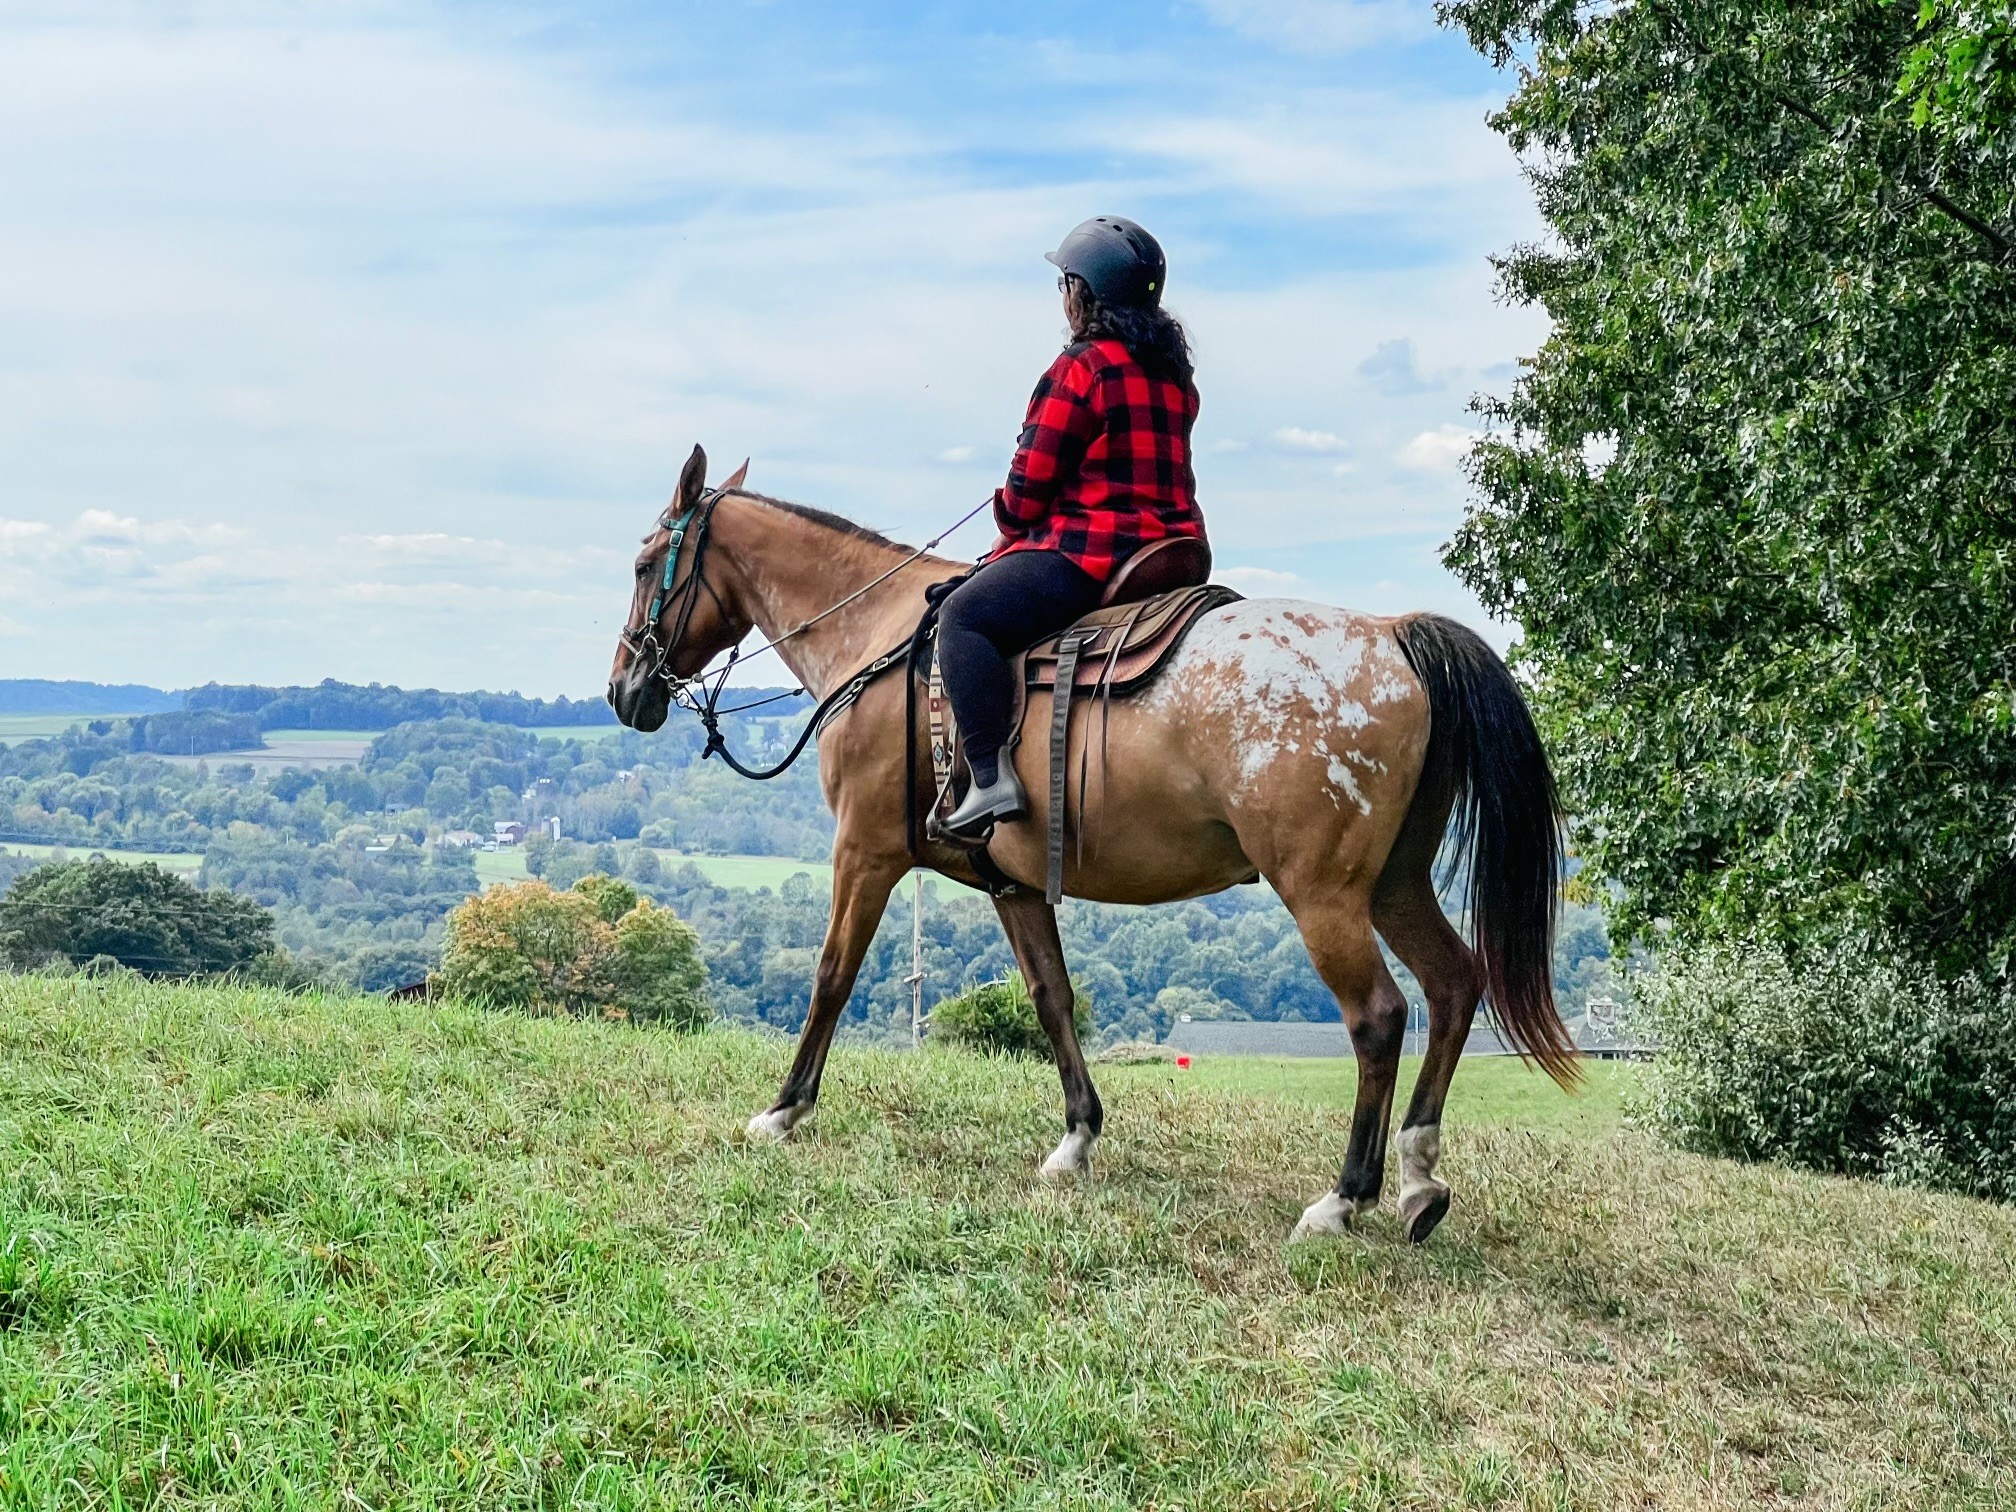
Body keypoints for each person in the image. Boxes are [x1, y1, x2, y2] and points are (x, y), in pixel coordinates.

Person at [938, 216, 1207, 841]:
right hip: (1173, 549)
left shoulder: (1080, 369)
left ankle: (988, 777)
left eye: (1066, 282)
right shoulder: (1174, 376)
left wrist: (1004, 514)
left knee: (963, 617)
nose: (1062, 294)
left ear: (1083, 292)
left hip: (1093, 555)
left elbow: (1027, 492)